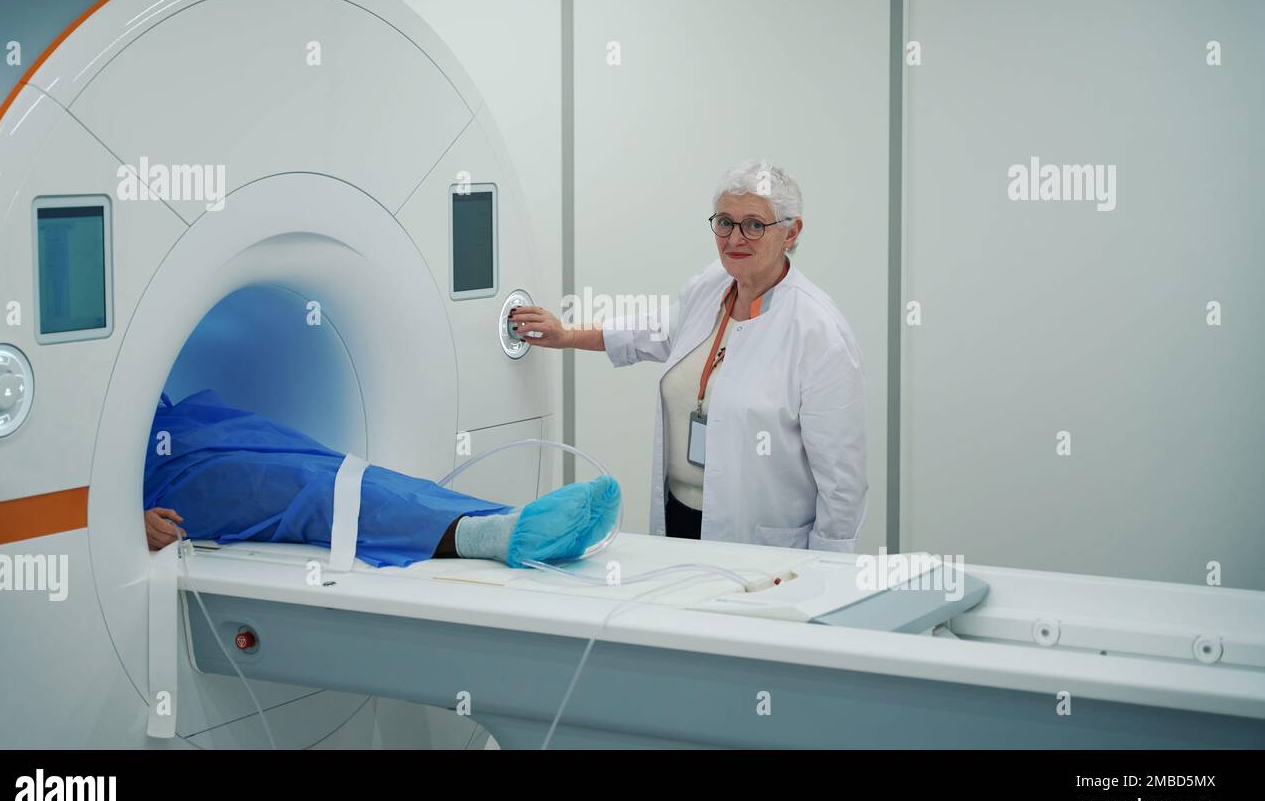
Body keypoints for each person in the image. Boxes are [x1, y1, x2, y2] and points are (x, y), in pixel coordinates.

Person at [508, 159, 867, 551]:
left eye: (754, 225)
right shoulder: (714, 284)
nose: (735, 238)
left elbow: (841, 479)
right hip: (679, 518)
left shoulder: (818, 331)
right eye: (725, 222)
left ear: (791, 232)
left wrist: (826, 576)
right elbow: (658, 330)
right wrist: (567, 334)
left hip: (763, 542)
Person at [142, 390, 619, 568]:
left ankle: (503, 518)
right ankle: (490, 535)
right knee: (301, 484)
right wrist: (121, 519)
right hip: (159, 479)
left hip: (186, 425)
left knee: (336, 468)